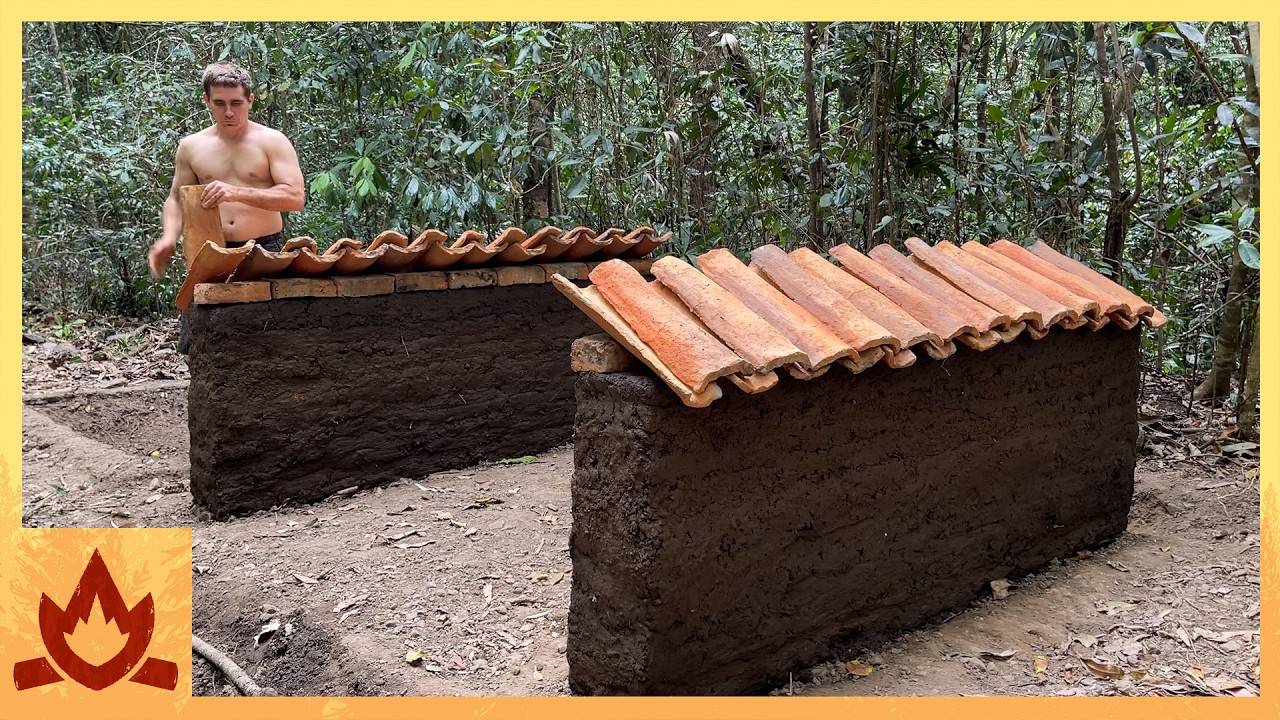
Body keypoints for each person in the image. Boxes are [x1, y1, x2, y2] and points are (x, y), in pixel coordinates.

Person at [147, 61, 305, 278]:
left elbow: (295, 198)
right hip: (209, 249)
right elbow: (176, 199)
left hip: (264, 247)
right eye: (220, 103)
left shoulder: (273, 141)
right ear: (207, 100)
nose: (228, 112)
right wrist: (169, 237)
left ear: (250, 101)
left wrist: (236, 193)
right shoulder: (191, 146)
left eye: (236, 103)